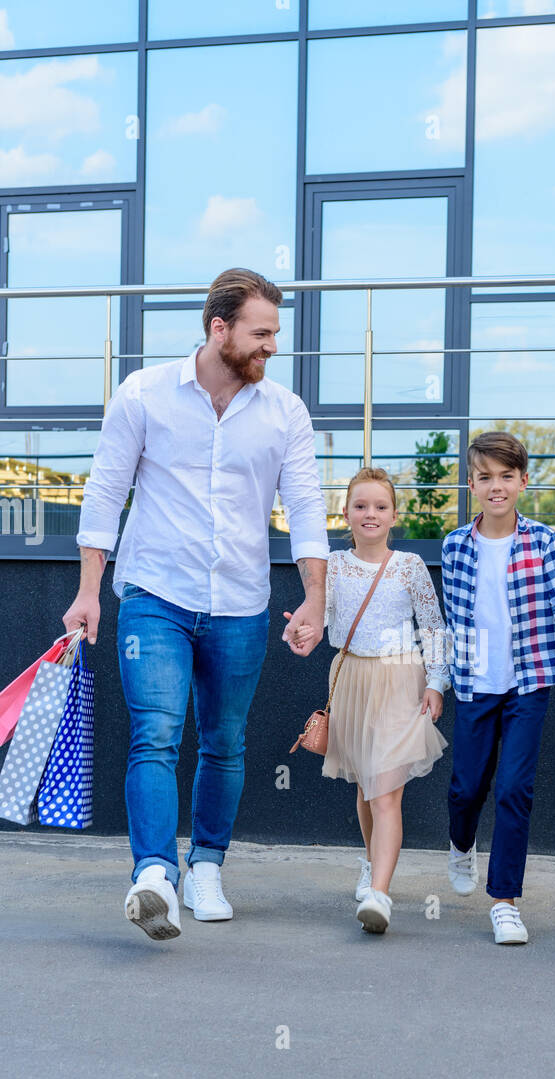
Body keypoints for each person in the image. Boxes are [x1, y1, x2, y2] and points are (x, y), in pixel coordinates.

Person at [63, 268, 329, 941]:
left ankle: (206, 862)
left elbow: (304, 509)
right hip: (156, 593)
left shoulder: (284, 412)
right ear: (219, 329)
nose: (272, 346)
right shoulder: (145, 393)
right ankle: (154, 874)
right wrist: (89, 591)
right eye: (261, 333)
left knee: (224, 741)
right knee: (155, 732)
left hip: (239, 604)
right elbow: (104, 493)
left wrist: (316, 598)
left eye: (275, 334)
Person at [441, 431, 555, 945]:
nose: (496, 486)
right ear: (471, 484)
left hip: (529, 682)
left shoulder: (542, 542)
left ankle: (505, 901)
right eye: (485, 477)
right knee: (466, 787)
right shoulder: (454, 547)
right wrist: (437, 681)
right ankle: (459, 843)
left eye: (506, 476)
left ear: (523, 482)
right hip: (473, 683)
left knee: (514, 788)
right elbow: (449, 624)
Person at [294, 467, 449, 934]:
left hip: (401, 678)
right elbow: (316, 618)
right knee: (365, 787)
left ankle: (379, 894)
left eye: (380, 506)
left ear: (394, 515)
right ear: (345, 513)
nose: (370, 514)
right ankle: (370, 861)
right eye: (360, 505)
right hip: (351, 678)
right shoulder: (333, 567)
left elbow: (435, 629)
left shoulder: (410, 566)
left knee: (386, 793)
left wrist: (437, 682)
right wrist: (301, 628)